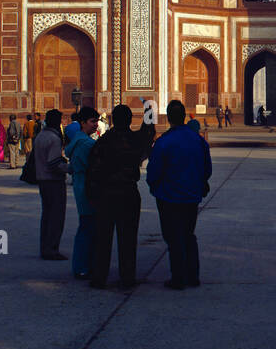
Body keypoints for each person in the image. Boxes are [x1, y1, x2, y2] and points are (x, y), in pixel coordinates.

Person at [85, 105, 155, 289]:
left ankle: (99, 277)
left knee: (103, 238)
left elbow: (92, 171)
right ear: (130, 120)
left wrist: (91, 196)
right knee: (128, 239)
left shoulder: (103, 141)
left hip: (106, 195)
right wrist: (149, 112)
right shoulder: (135, 140)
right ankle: (127, 277)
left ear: (113, 120)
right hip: (128, 194)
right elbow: (148, 138)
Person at [146, 100, 213, 290]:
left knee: (174, 237)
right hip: (191, 196)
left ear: (168, 118)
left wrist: (155, 186)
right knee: (189, 235)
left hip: (168, 197)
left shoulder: (164, 142)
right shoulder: (198, 140)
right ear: (184, 116)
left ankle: (178, 278)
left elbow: (154, 171)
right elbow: (207, 169)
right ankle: (193, 276)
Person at [67, 106, 100, 279]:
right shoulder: (87, 143)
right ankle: (82, 266)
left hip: (80, 185)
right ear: (83, 122)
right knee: (88, 228)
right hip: (88, 187)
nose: (96, 125)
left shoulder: (78, 140)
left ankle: (81, 265)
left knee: (85, 226)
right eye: (92, 121)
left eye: (97, 121)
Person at [33, 109, 70, 260]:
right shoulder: (54, 139)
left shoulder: (40, 136)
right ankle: (51, 249)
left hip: (42, 179)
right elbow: (54, 163)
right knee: (56, 216)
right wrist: (70, 168)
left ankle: (44, 247)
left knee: (47, 215)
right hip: (54, 181)